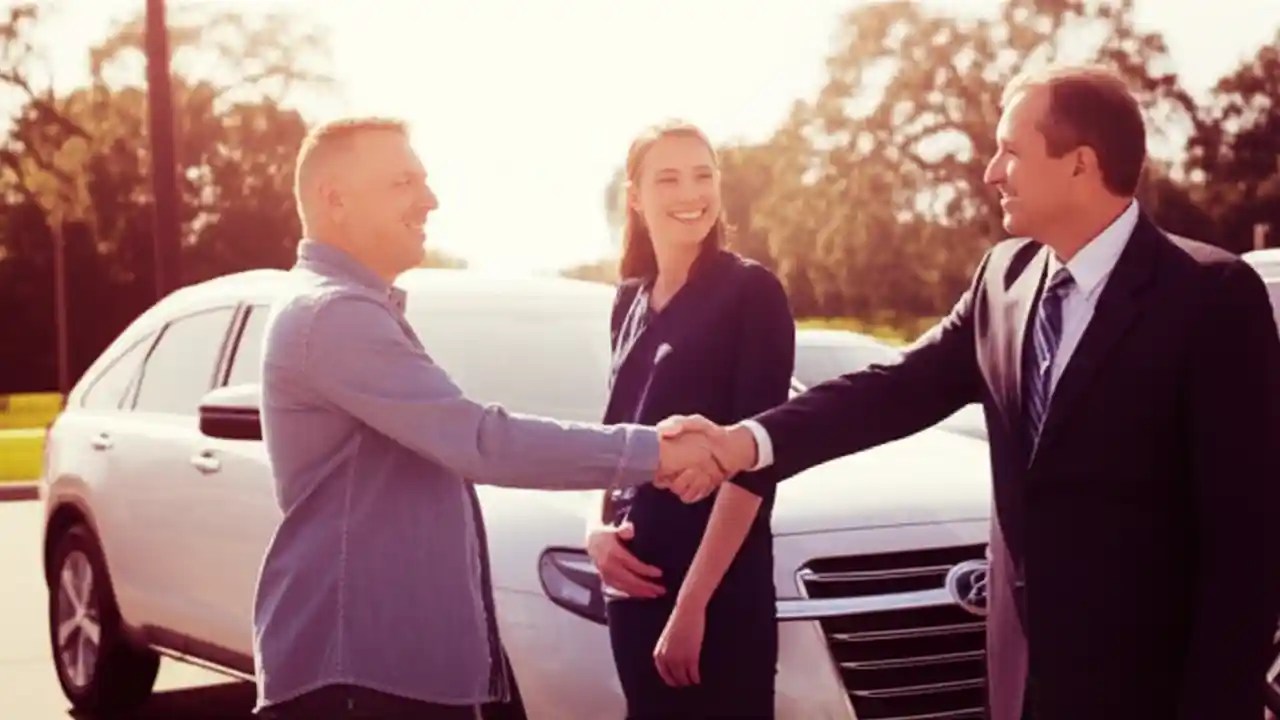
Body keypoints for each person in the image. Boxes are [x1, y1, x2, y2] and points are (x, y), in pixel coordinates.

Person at [664, 66, 1280, 720]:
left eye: (1011, 151)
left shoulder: (1211, 296)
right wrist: (745, 442)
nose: (990, 172)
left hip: (1154, 693)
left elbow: (1250, 539)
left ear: (1080, 165)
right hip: (1021, 688)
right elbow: (892, 389)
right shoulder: (1002, 280)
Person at [252, 117, 728, 720]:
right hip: (359, 678)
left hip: (391, 671)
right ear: (334, 200)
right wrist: (655, 452)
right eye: (403, 182)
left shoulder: (347, 309)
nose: (430, 200)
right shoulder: (333, 316)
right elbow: (481, 441)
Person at [585, 120, 795, 719]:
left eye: (703, 175)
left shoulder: (752, 292)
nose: (690, 193)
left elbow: (757, 465)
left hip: (717, 598)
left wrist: (692, 606)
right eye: (668, 178)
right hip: (634, 588)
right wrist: (595, 532)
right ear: (635, 195)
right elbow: (613, 438)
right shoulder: (628, 299)